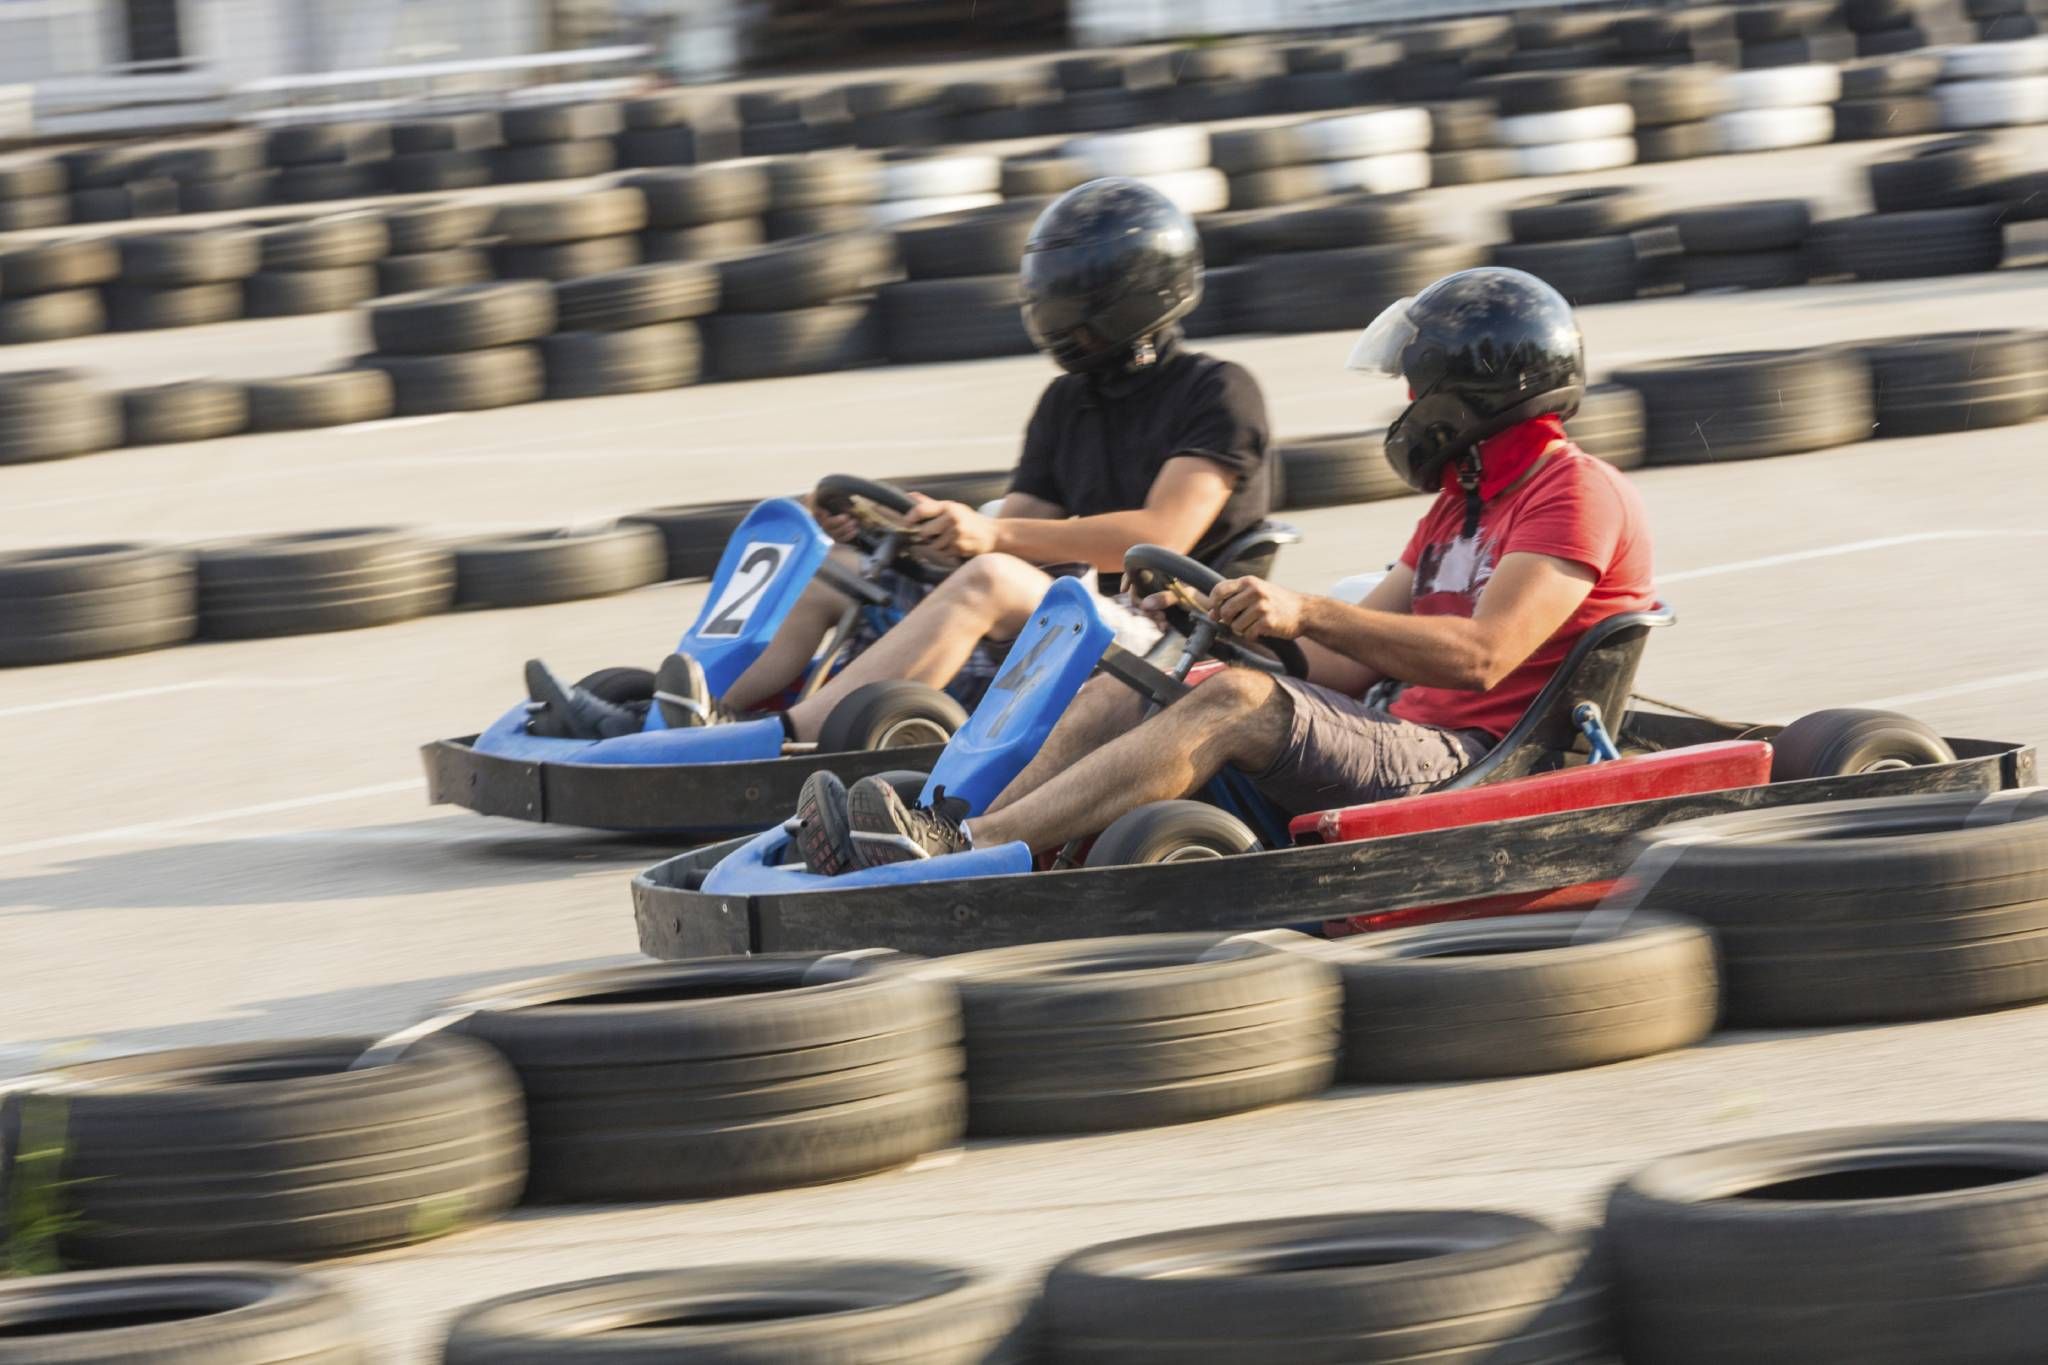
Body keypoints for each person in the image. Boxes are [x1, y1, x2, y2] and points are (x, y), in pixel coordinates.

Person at [796, 266, 1658, 873]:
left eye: (1413, 383)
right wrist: (1210, 622)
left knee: (1237, 701)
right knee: (1148, 671)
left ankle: (977, 852)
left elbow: (1481, 656)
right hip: (1398, 731)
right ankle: (948, 822)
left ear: (1463, 392)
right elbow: (1357, 664)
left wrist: (1304, 611)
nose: (1403, 402)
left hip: (1471, 758)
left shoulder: (1573, 493)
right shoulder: (1463, 499)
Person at [524, 177, 1273, 752]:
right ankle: (670, 720)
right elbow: (1021, 528)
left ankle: (783, 740)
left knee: (987, 576)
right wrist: (917, 528)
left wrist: (991, 543)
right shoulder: (1067, 401)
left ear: (1130, 295)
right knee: (837, 564)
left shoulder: (1217, 390)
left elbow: (1159, 533)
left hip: (1172, 646)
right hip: (1073, 619)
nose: (1045, 308)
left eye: (1065, 293)